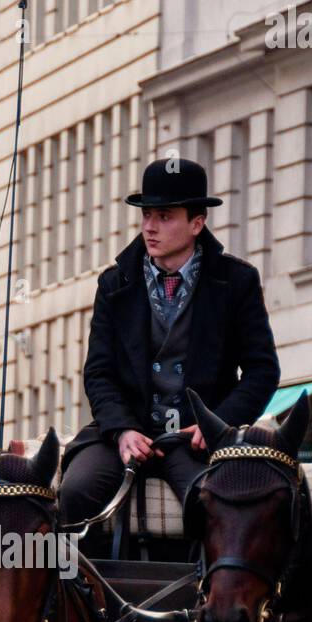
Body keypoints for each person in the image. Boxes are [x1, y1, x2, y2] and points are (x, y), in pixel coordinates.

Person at [59, 157, 281, 527]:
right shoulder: (113, 284)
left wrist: (218, 424)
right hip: (125, 431)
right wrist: (123, 429)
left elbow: (263, 370)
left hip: (196, 439)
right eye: (146, 215)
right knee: (76, 491)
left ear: (197, 223)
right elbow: (98, 372)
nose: (150, 227)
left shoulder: (236, 281)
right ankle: (79, 568)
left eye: (164, 216)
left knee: (213, 503)